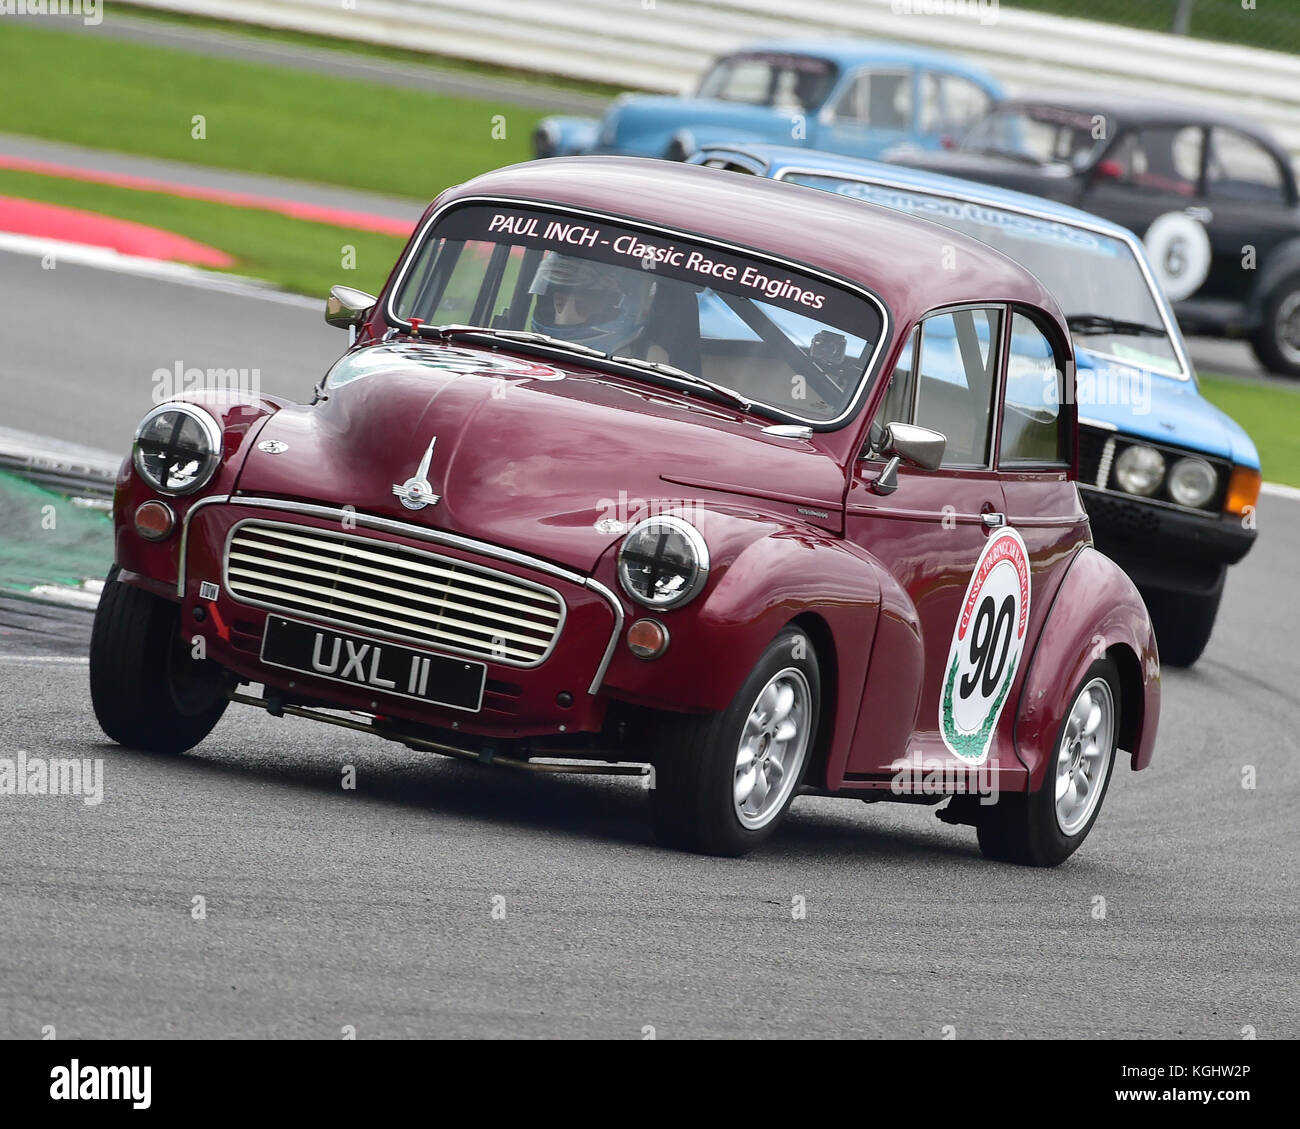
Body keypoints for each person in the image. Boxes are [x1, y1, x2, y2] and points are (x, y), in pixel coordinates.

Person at [529, 252, 656, 357]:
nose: (563, 319)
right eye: (559, 304)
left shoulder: (650, 357)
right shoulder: (527, 348)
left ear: (616, 306)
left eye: (581, 306)